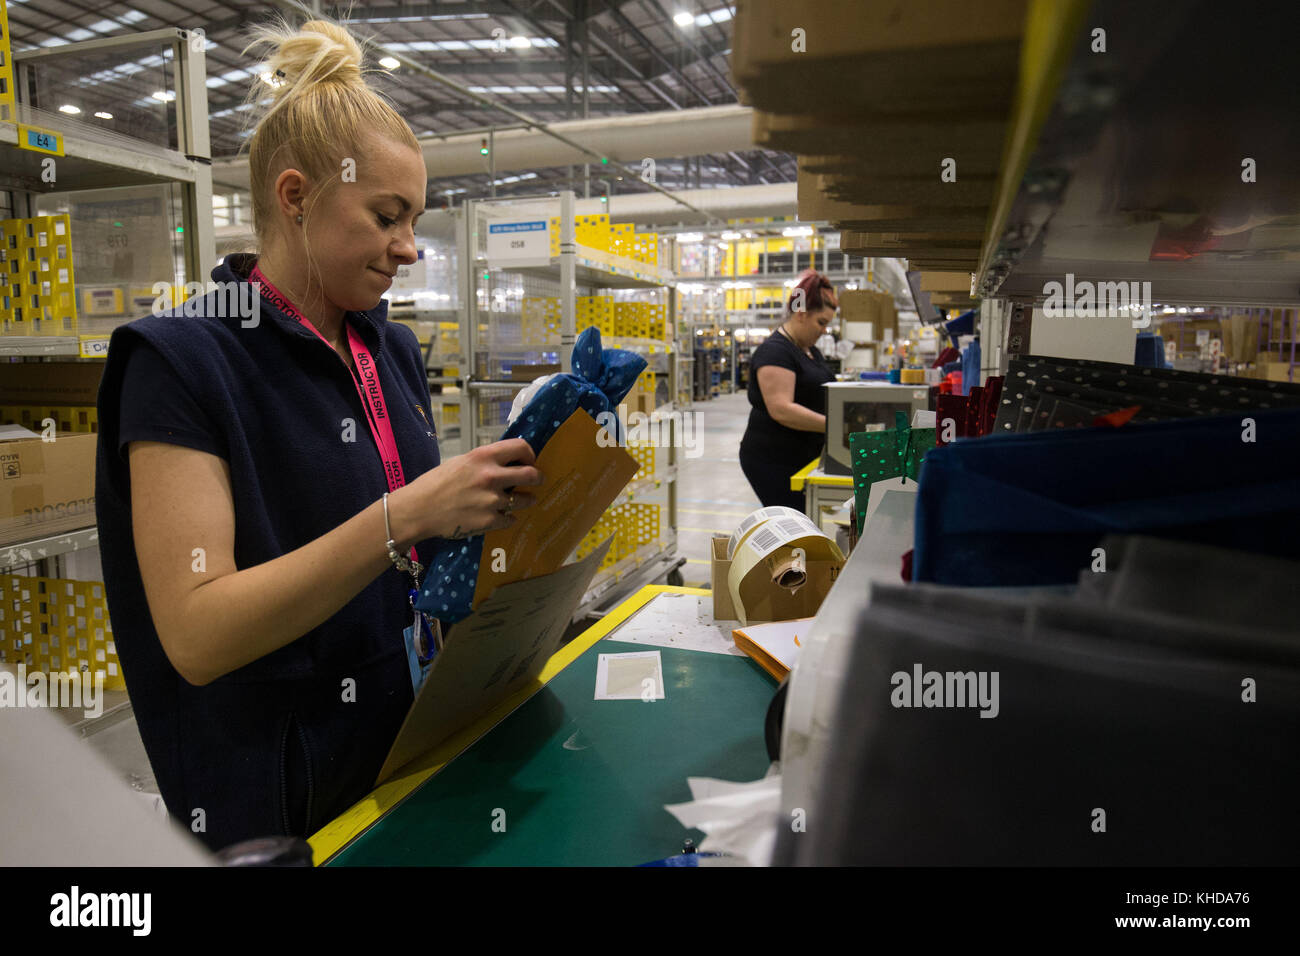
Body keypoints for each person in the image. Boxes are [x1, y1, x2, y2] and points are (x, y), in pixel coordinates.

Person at [94, 19, 544, 852]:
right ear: (295, 196)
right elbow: (197, 635)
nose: (410, 248)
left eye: (415, 219)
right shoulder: (180, 362)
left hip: (403, 747)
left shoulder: (389, 348)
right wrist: (405, 516)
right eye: (387, 217)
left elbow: (409, 557)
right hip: (279, 801)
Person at [739, 270, 837, 510]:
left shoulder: (810, 351)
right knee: (794, 523)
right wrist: (836, 425)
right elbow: (782, 409)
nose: (824, 330)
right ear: (801, 314)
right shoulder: (775, 352)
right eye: (821, 322)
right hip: (774, 459)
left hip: (803, 456)